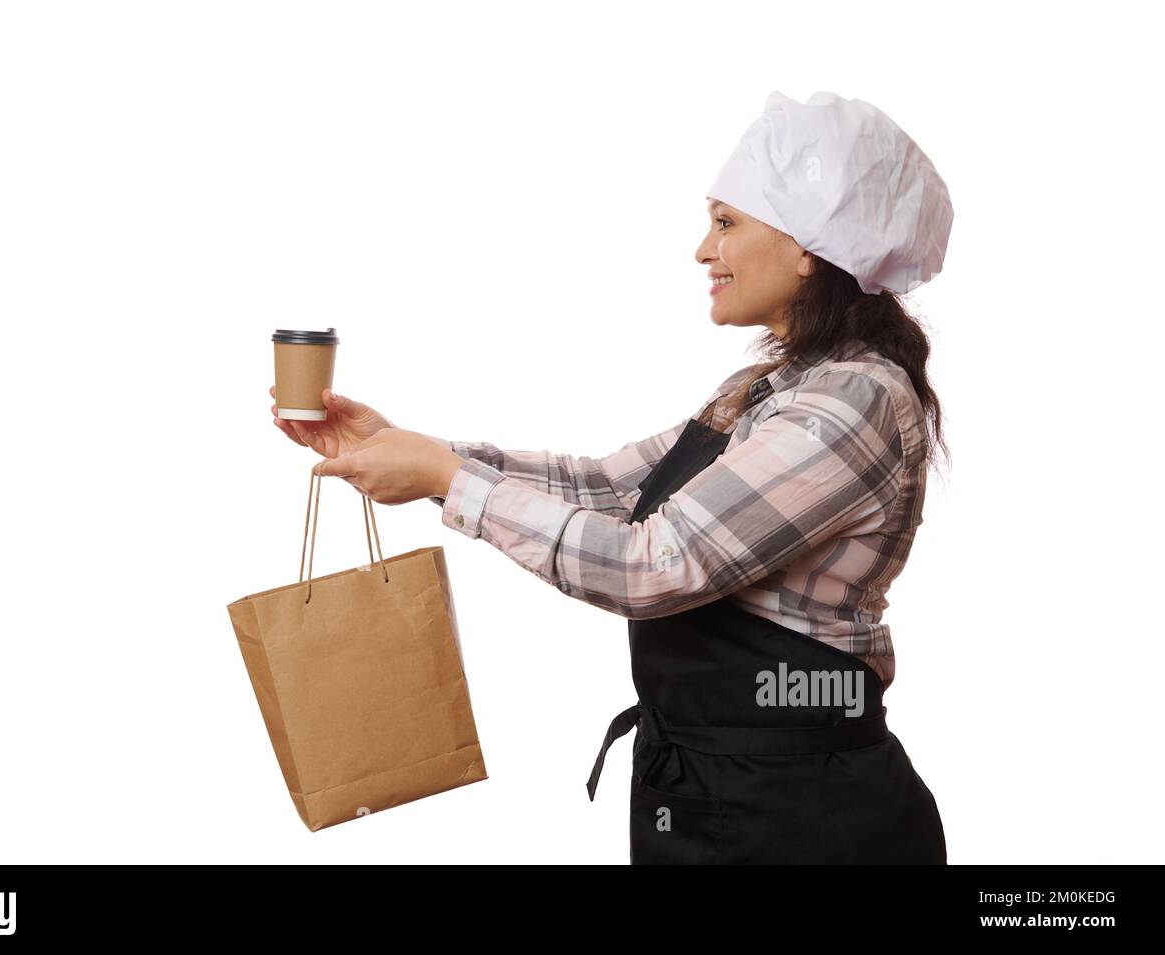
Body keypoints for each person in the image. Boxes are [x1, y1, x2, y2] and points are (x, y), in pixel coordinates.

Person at [269, 90, 953, 864]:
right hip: (712, 789)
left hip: (803, 815)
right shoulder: (773, 391)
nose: (703, 249)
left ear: (808, 247)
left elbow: (654, 565)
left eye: (726, 222)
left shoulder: (852, 402)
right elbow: (610, 489)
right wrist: (416, 450)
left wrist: (449, 481)